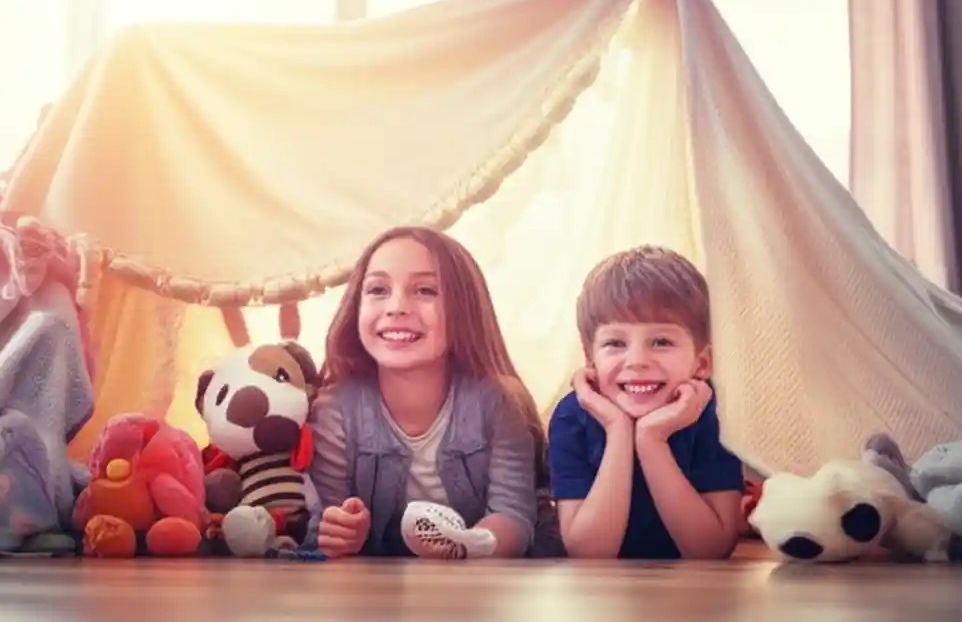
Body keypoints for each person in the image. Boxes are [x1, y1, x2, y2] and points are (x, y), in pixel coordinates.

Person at [306, 226, 556, 559]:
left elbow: (514, 517)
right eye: (378, 289)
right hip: (372, 588)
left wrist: (468, 544)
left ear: (464, 307)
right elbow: (322, 530)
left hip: (483, 585)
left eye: (425, 290)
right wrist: (342, 534)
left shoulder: (500, 402)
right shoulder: (334, 409)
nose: (396, 307)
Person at [548, 245, 744, 559]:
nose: (637, 360)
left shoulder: (716, 413)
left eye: (661, 342)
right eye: (615, 343)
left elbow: (710, 550)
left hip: (695, 587)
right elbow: (590, 553)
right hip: (601, 588)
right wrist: (618, 430)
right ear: (590, 359)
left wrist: (652, 439)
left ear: (702, 363)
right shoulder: (572, 417)